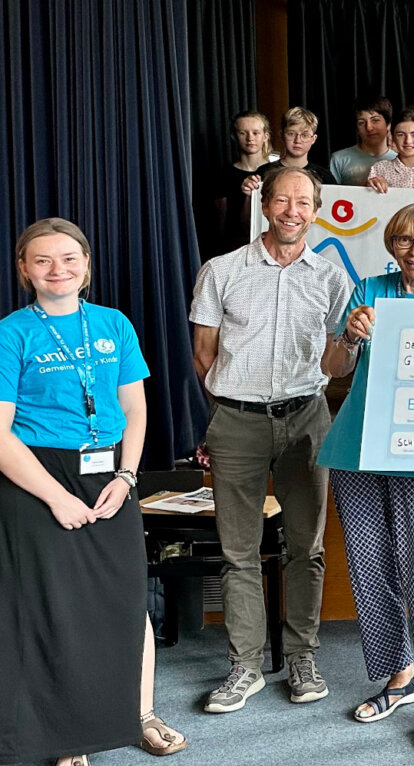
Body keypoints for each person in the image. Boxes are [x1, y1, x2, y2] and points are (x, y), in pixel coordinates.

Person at [0, 218, 187, 766]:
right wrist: (55, 497)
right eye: (43, 260)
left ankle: (141, 715)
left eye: (69, 258)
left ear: (86, 264)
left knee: (128, 602)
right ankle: (67, 738)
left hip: (109, 474)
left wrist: (127, 477)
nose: (57, 269)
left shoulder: (114, 323)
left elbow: (134, 409)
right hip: (35, 475)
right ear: (23, 270)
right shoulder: (12, 332)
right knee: (56, 609)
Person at [190, 167, 352, 714]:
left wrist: (347, 345)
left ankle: (302, 657)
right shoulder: (222, 270)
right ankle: (244, 667)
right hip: (236, 421)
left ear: (316, 209)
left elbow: (334, 364)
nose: (290, 210)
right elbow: (203, 353)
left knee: (306, 548)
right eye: (281, 199)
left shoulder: (331, 279)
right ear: (265, 204)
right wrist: (232, 407)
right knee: (238, 552)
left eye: (301, 202)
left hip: (307, 418)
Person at [315, 203, 414, 752]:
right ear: (391, 244)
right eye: (405, 240)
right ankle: (400, 673)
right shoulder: (368, 290)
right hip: (358, 447)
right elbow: (334, 368)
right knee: (370, 565)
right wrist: (350, 337)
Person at [213, 110, 277, 255]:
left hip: (271, 247)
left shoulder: (277, 172)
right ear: (235, 136)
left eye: (256, 133)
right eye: (243, 133)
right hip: (235, 249)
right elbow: (220, 223)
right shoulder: (223, 175)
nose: (250, 138)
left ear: (265, 136)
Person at [250, 107, 337, 189]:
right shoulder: (264, 172)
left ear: (313, 139)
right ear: (282, 135)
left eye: (305, 135)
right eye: (291, 134)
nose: (297, 140)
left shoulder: (324, 177)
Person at [330, 96, 397, 186]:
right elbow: (331, 196)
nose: (369, 127)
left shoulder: (398, 160)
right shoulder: (339, 159)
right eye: (361, 122)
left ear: (388, 124)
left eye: (375, 120)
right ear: (357, 129)